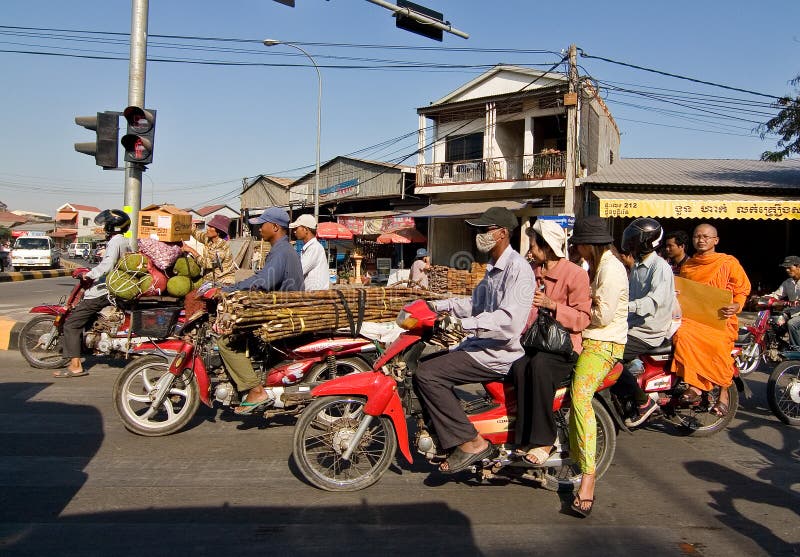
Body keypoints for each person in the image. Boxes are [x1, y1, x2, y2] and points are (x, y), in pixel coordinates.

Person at [413, 207, 535, 474]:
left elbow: (509, 322)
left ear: (502, 233)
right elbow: (474, 304)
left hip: (498, 353)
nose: (478, 235)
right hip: (480, 346)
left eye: (485, 229)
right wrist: (436, 306)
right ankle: (444, 429)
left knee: (428, 374)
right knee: (421, 364)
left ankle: (472, 442)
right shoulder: (493, 268)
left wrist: (461, 325)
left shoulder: (519, 270)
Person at [511, 218, 591, 465]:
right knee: (519, 367)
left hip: (563, 345)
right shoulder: (533, 271)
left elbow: (582, 318)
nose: (530, 250)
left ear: (547, 247)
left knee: (539, 367)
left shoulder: (576, 275)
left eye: (534, 245)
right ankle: (524, 437)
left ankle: (545, 439)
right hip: (535, 341)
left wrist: (553, 306)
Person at [568, 216, 629, 517]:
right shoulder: (596, 265)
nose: (576, 250)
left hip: (603, 344)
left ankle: (588, 478)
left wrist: (569, 309)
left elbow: (602, 316)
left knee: (580, 397)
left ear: (588, 244)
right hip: (588, 339)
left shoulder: (611, 268)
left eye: (578, 244)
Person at [216, 207, 304, 414]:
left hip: (280, 314)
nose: (259, 229)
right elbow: (262, 278)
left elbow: (263, 282)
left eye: (262, 224)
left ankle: (255, 389)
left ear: (274, 227)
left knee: (226, 342)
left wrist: (229, 289)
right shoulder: (281, 250)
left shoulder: (281, 251)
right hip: (279, 309)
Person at [672, 223, 751, 417]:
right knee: (681, 335)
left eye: (706, 237)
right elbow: (686, 293)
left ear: (716, 240)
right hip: (694, 319)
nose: (701, 240)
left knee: (718, 347)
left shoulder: (728, 263)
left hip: (720, 320)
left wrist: (737, 305)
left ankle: (724, 392)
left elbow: (742, 290)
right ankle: (695, 386)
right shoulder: (689, 265)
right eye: (697, 236)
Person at [55, 209, 132, 378]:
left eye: (106, 224)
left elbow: (107, 265)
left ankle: (75, 366)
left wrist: (88, 275)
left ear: (113, 225)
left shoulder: (115, 242)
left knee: (72, 324)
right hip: (114, 288)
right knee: (86, 320)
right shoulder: (124, 241)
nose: (104, 227)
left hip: (103, 291)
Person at [615, 218, 676, 428]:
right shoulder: (638, 266)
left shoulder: (660, 268)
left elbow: (651, 303)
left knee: (608, 357)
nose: (631, 244)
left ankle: (644, 401)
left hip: (647, 331)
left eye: (635, 240)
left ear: (647, 241)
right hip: (631, 325)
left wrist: (624, 307)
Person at [181, 215, 236, 318]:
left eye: (211, 227)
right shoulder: (208, 239)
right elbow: (196, 234)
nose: (208, 228)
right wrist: (187, 223)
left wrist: (191, 250)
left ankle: (193, 327)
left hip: (222, 281)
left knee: (193, 297)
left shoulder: (222, 247)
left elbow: (207, 264)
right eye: (209, 226)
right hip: (210, 281)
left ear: (218, 232)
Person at [289, 214, 329, 291]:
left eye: (296, 228)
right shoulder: (310, 248)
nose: (294, 231)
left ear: (306, 230)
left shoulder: (314, 248)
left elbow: (298, 271)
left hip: (315, 297)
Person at [768, 255, 800, 347]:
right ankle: (780, 347)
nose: (787, 270)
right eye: (786, 268)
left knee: (792, 324)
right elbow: (776, 295)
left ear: (798, 266)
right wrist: (761, 298)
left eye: (789, 267)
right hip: (792, 312)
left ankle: (796, 353)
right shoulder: (788, 282)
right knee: (773, 321)